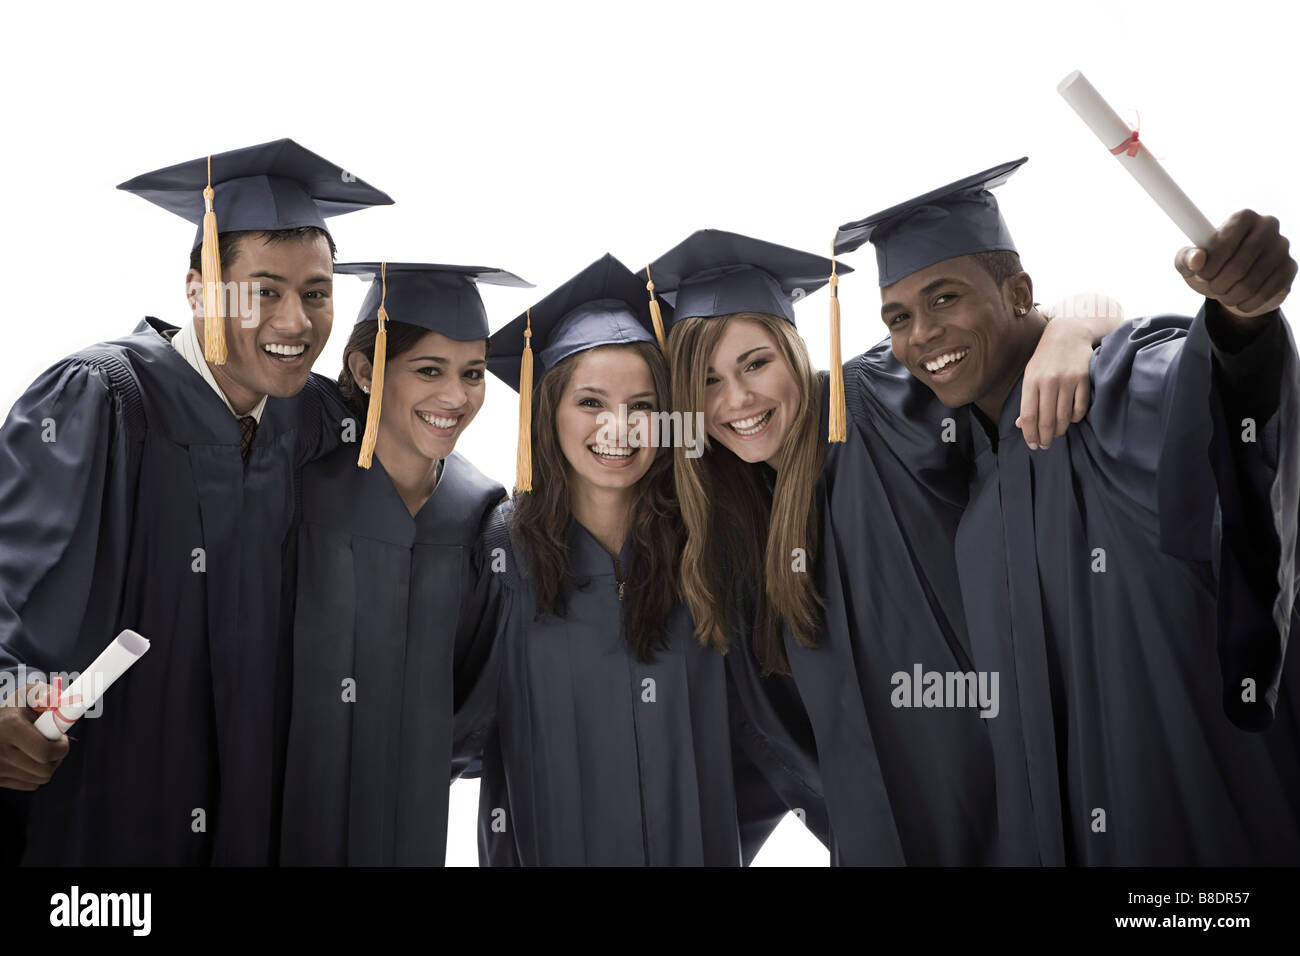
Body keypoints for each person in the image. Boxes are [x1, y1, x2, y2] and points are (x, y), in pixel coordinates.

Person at [835, 157, 1300, 864]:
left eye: (945, 298)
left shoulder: (1114, 395)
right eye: (898, 317)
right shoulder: (979, 515)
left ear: (1020, 291)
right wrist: (1073, 318)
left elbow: (1218, 400)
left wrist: (1241, 320)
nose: (921, 334)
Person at [650, 227, 1119, 864]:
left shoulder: (875, 399)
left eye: (755, 363)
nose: (737, 401)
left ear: (792, 349)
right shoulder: (727, 518)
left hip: (1002, 785)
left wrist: (1072, 330)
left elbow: (1029, 327)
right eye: (707, 381)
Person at [0, 139, 390, 865]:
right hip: (104, 805)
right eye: (263, 291)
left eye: (316, 292)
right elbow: (9, 579)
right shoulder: (101, 397)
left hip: (249, 809)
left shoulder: (307, 419)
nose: (296, 323)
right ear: (198, 289)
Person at [463, 254, 820, 865]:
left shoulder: (713, 549)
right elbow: (452, 729)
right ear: (547, 414)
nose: (620, 428)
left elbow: (771, 734)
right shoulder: (500, 553)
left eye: (645, 406)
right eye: (592, 403)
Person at [279, 261, 526, 865]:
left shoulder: (483, 514)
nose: (456, 396)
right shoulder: (292, 486)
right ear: (365, 370)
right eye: (428, 371)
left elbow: (478, 691)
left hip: (407, 818)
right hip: (278, 802)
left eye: (472, 373)